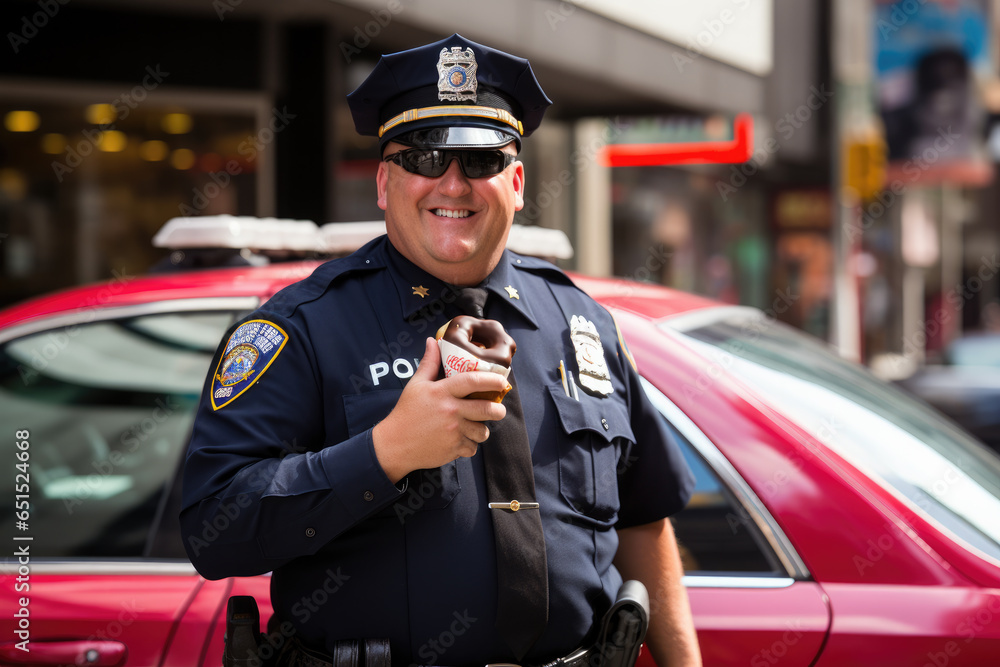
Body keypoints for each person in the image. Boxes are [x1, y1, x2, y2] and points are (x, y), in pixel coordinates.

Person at [180, 33, 701, 667]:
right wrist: (386, 453)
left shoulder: (581, 324)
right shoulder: (301, 329)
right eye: (424, 158)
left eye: (481, 159)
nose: (453, 184)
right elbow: (214, 530)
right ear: (382, 181)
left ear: (516, 181)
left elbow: (643, 519)